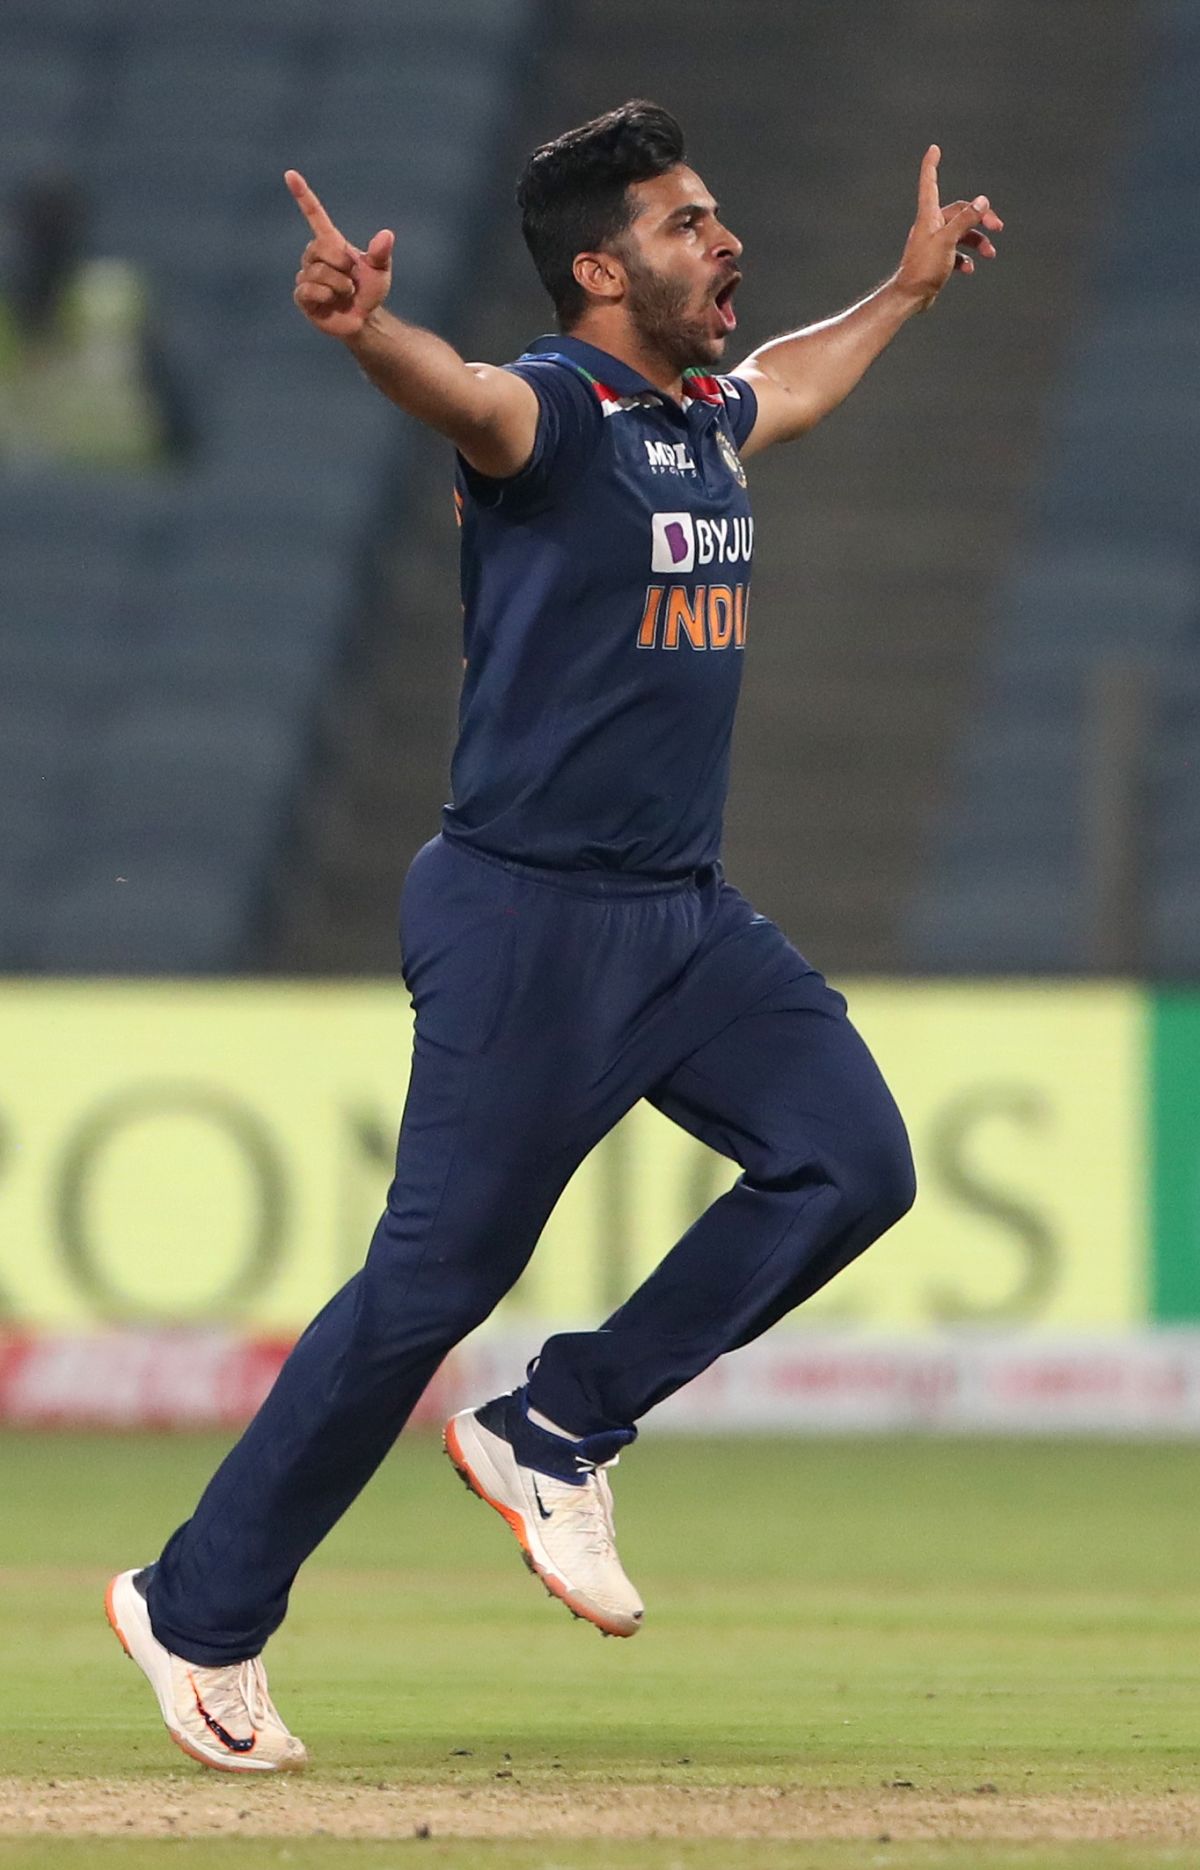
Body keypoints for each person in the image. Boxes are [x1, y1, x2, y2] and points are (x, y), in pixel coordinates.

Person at [105, 101, 1001, 1772]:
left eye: (721, 217)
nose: (723, 242)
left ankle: (560, 1419)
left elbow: (793, 379)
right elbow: (467, 396)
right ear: (601, 270)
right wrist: (373, 333)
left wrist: (904, 291)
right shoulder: (566, 412)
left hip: (682, 920)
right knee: (426, 1285)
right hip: (528, 916)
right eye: (686, 225)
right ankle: (195, 1604)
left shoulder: (700, 417)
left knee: (854, 1161)